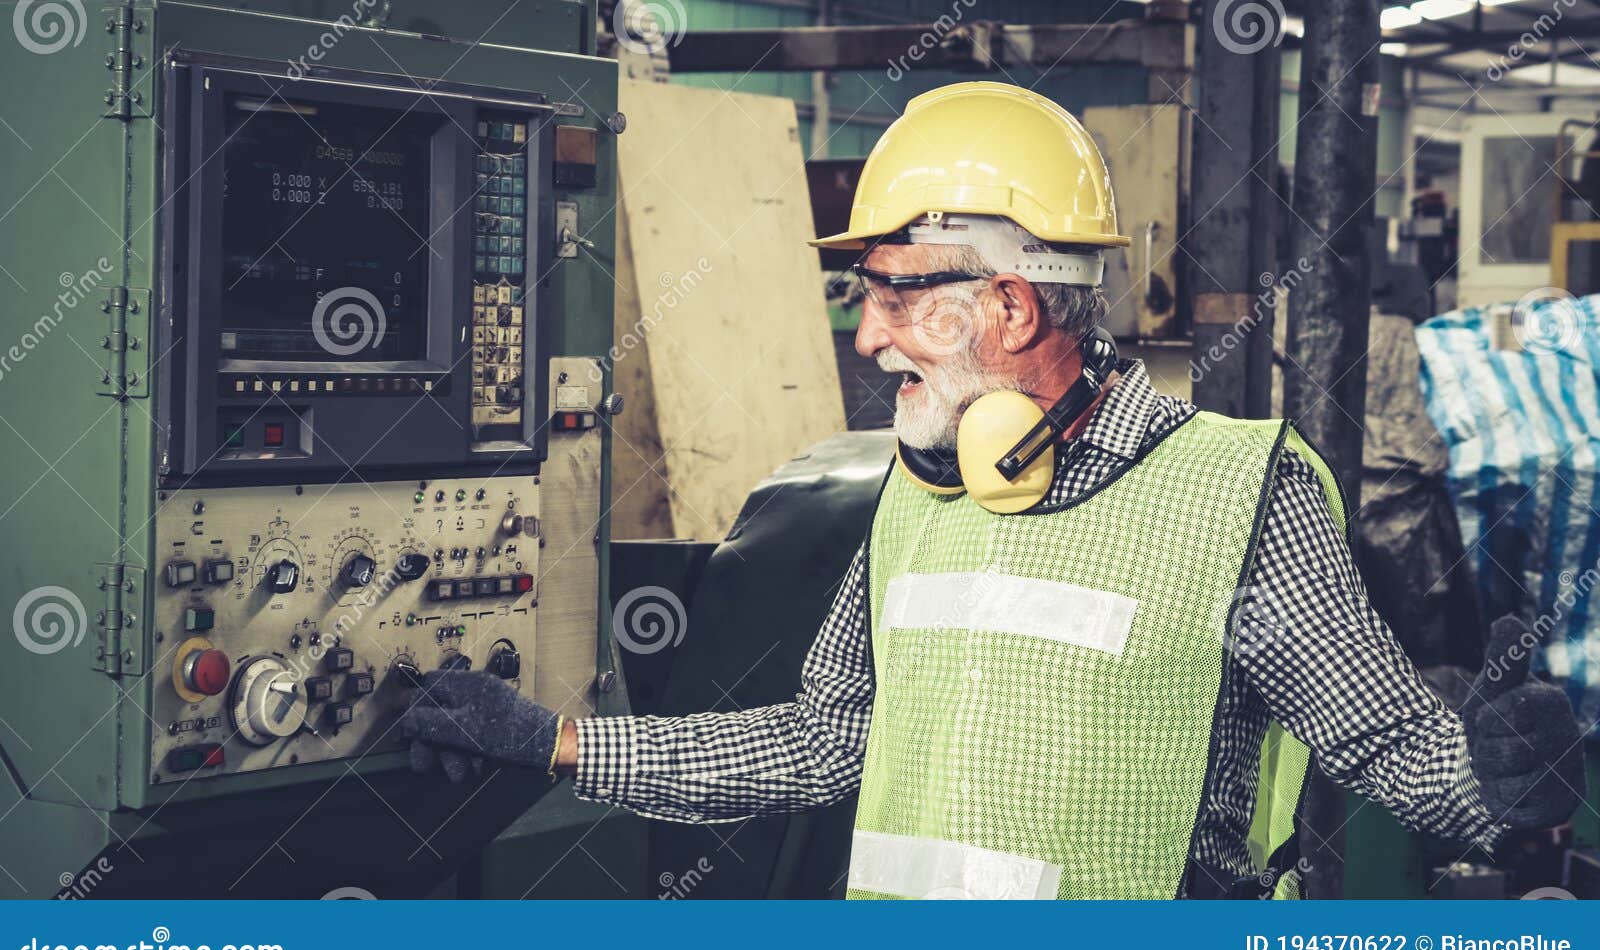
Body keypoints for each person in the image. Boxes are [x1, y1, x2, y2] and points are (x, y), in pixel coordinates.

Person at [401, 81, 1585, 899]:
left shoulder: (1233, 494)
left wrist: (1502, 789)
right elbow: (819, 747)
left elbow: (1381, 739)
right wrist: (560, 745)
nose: (865, 338)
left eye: (894, 292)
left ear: (1011, 304)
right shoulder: (923, 495)